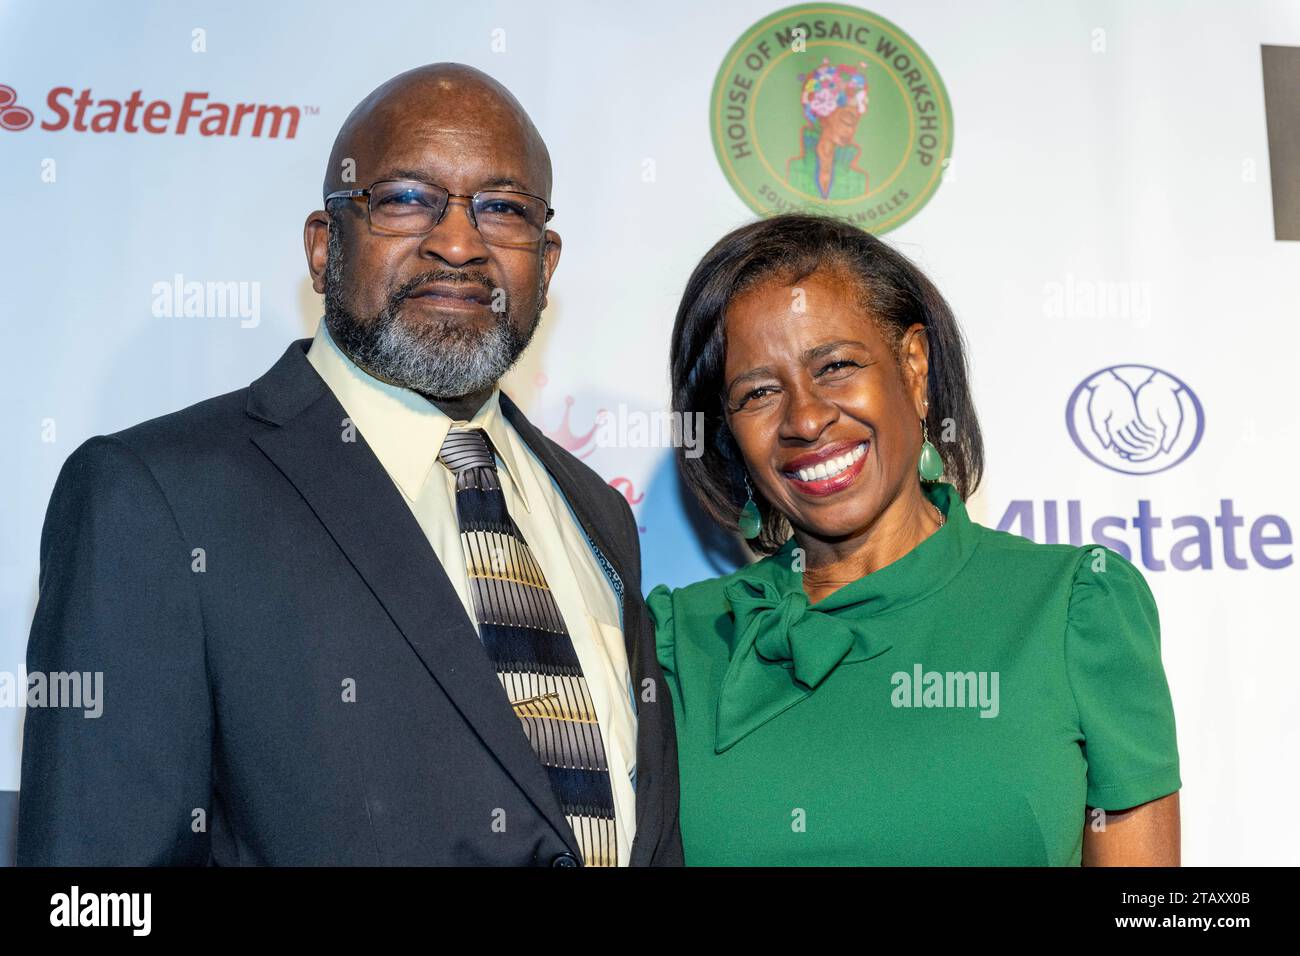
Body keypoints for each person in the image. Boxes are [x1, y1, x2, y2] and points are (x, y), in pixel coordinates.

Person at [17, 63, 682, 867]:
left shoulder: (595, 514)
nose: (459, 243)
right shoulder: (158, 498)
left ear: (545, 263)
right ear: (325, 245)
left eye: (502, 209)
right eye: (406, 198)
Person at [649, 212, 1180, 866]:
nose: (807, 418)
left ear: (915, 366)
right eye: (758, 392)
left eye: (837, 366)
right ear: (728, 431)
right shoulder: (677, 640)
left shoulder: (1076, 605)